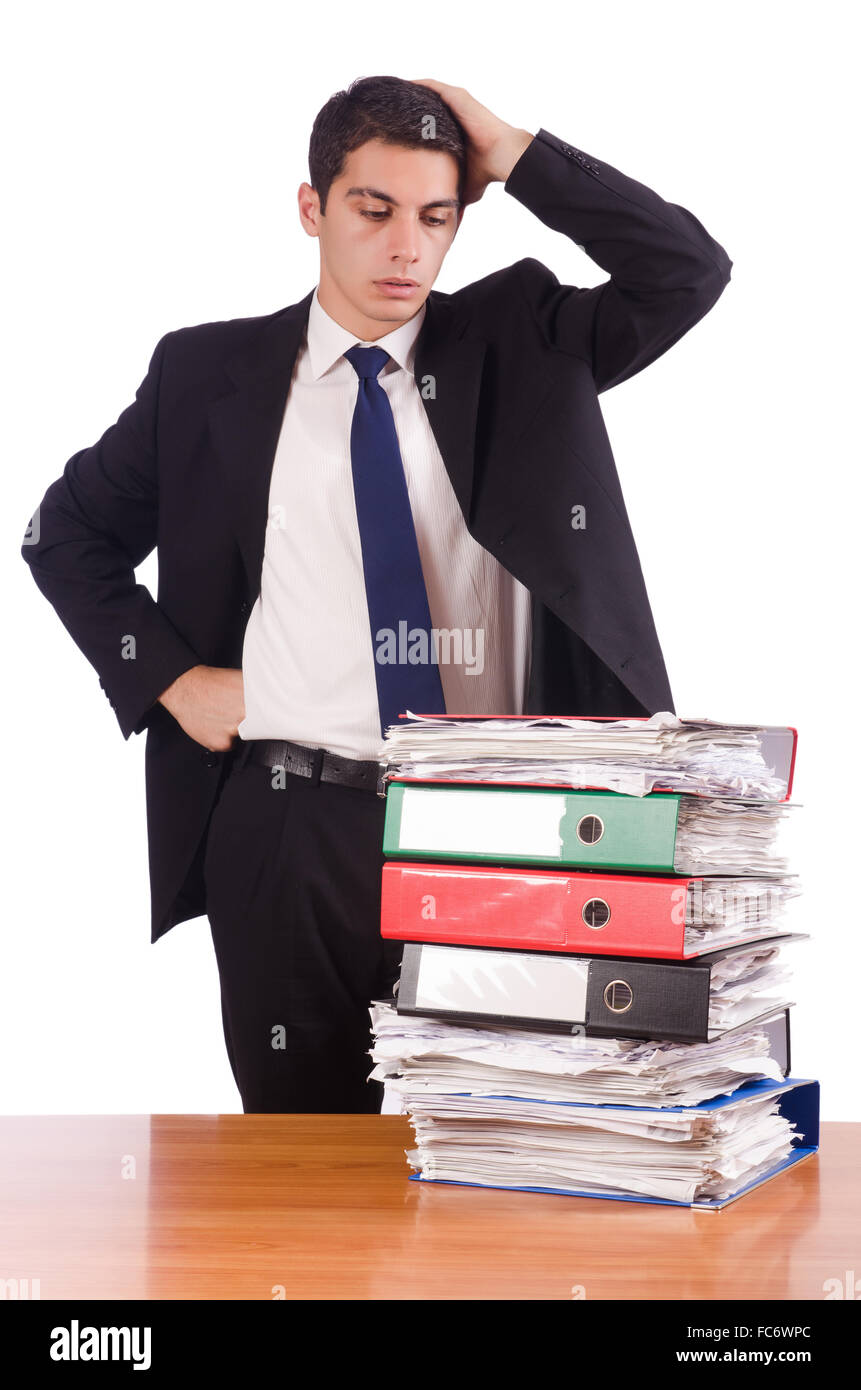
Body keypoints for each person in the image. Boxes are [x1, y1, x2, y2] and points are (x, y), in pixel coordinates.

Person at [20, 75, 732, 1113]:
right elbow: (63, 534)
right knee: (302, 1167)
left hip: (495, 824)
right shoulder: (203, 375)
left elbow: (687, 272)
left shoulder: (522, 346)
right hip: (285, 829)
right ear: (311, 209)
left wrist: (517, 152)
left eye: (435, 217)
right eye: (374, 210)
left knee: (508, 1148)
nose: (406, 249)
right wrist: (168, 675)